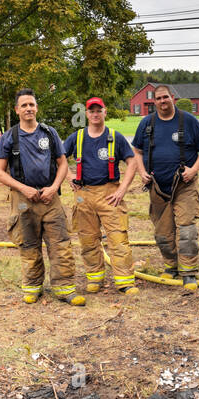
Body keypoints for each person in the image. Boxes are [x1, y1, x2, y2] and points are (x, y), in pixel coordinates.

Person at [0, 91, 76, 305]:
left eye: (32, 104)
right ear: (17, 110)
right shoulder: (10, 137)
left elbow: (63, 163)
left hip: (50, 199)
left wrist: (54, 187)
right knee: (28, 245)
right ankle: (32, 287)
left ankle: (65, 288)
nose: (29, 108)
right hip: (23, 200)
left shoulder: (49, 133)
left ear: (37, 108)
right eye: (24, 105)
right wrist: (24, 189)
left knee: (61, 245)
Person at [133, 84, 199, 287]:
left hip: (184, 186)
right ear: (154, 101)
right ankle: (171, 267)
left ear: (173, 98)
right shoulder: (146, 123)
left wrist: (193, 170)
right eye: (158, 99)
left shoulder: (189, 121)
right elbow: (137, 151)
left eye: (165, 97)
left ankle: (189, 272)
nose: (162, 101)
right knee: (162, 233)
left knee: (186, 231)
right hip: (158, 188)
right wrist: (141, 172)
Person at [67, 97, 139, 294]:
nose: (95, 114)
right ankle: (95, 278)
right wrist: (68, 176)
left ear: (105, 112)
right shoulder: (77, 137)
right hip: (84, 195)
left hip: (110, 194)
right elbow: (59, 158)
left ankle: (125, 282)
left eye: (99, 110)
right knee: (88, 239)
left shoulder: (116, 137)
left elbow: (132, 162)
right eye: (92, 111)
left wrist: (122, 190)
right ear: (87, 114)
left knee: (118, 239)